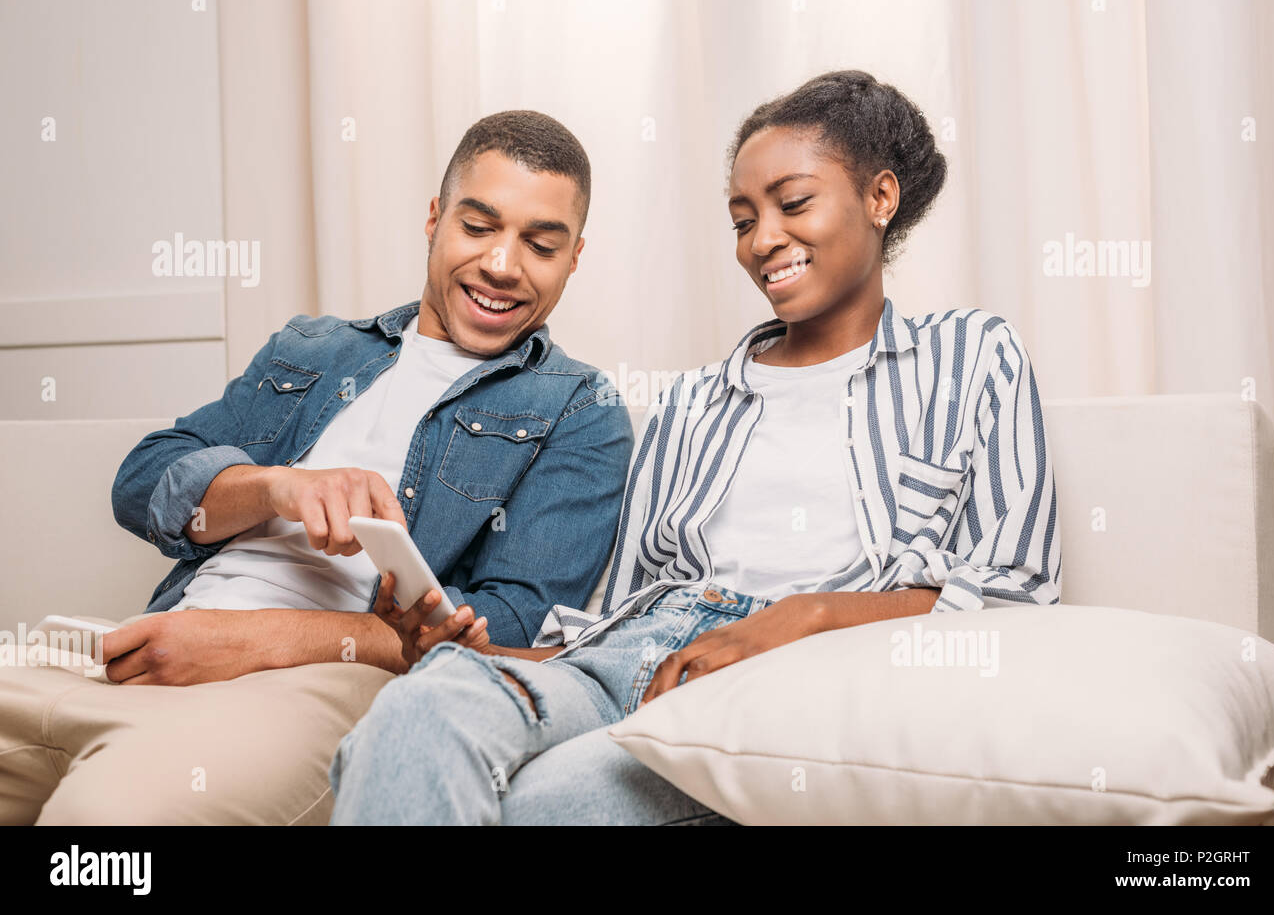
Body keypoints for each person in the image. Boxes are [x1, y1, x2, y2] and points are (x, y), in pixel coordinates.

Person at [328, 70, 1062, 825]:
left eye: (793, 203)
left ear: (880, 198)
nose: (763, 239)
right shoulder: (691, 400)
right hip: (637, 662)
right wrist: (467, 655)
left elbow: (1017, 593)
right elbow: (619, 621)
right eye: (744, 219)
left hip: (793, 685)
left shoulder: (973, 355)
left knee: (538, 806)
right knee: (413, 715)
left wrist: (802, 616)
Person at [0, 111, 633, 825]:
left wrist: (250, 639)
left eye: (540, 245)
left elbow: (516, 628)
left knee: (99, 833)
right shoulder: (314, 347)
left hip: (313, 685)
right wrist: (277, 486)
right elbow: (142, 482)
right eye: (478, 226)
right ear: (434, 218)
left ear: (574, 258)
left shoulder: (580, 408)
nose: (501, 265)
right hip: (136, 644)